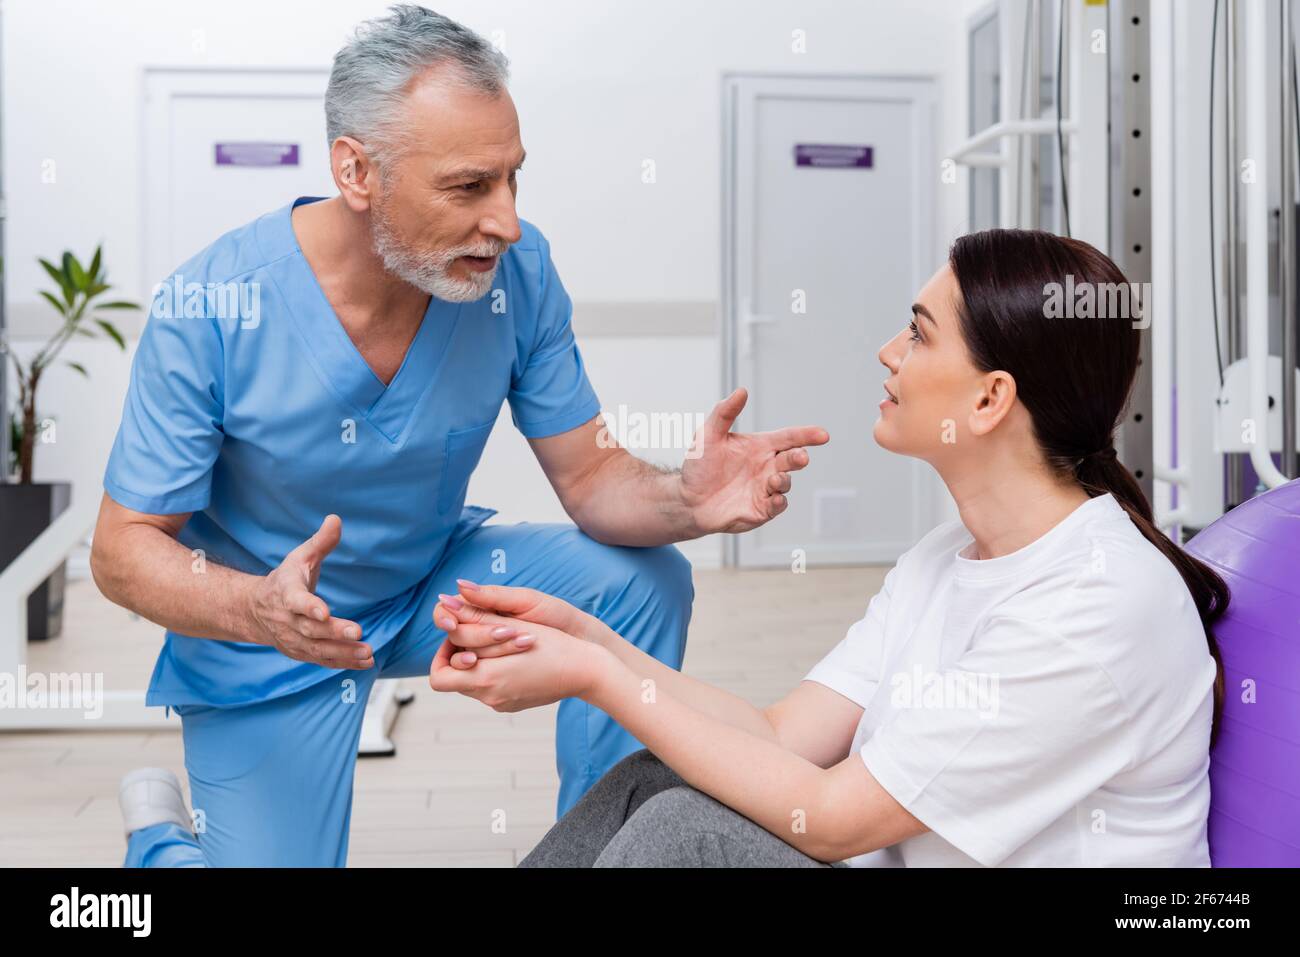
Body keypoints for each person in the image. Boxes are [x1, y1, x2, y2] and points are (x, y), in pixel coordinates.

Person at [94, 5, 827, 867]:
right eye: (470, 187)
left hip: (430, 586)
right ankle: (158, 836)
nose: (508, 221)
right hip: (271, 629)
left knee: (641, 579)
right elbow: (122, 549)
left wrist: (685, 498)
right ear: (357, 171)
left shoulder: (517, 274)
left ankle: (599, 850)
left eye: (514, 179)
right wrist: (254, 609)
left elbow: (590, 478)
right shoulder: (214, 304)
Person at [429, 229, 1230, 867]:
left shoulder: (1095, 604)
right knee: (654, 779)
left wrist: (597, 678)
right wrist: (586, 637)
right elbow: (779, 736)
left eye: (917, 335)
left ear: (990, 399)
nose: (888, 351)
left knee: (687, 834)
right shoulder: (950, 553)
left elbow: (835, 820)